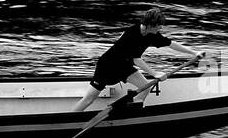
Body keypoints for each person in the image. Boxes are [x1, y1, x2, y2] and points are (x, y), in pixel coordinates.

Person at [70, 8, 201, 113]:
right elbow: (136, 59)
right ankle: (71, 121)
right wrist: (154, 73)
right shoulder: (131, 34)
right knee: (89, 99)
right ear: (150, 25)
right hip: (107, 66)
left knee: (145, 87)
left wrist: (194, 53)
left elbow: (171, 44)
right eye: (159, 26)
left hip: (123, 66)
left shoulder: (152, 34)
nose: (160, 29)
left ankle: (129, 114)